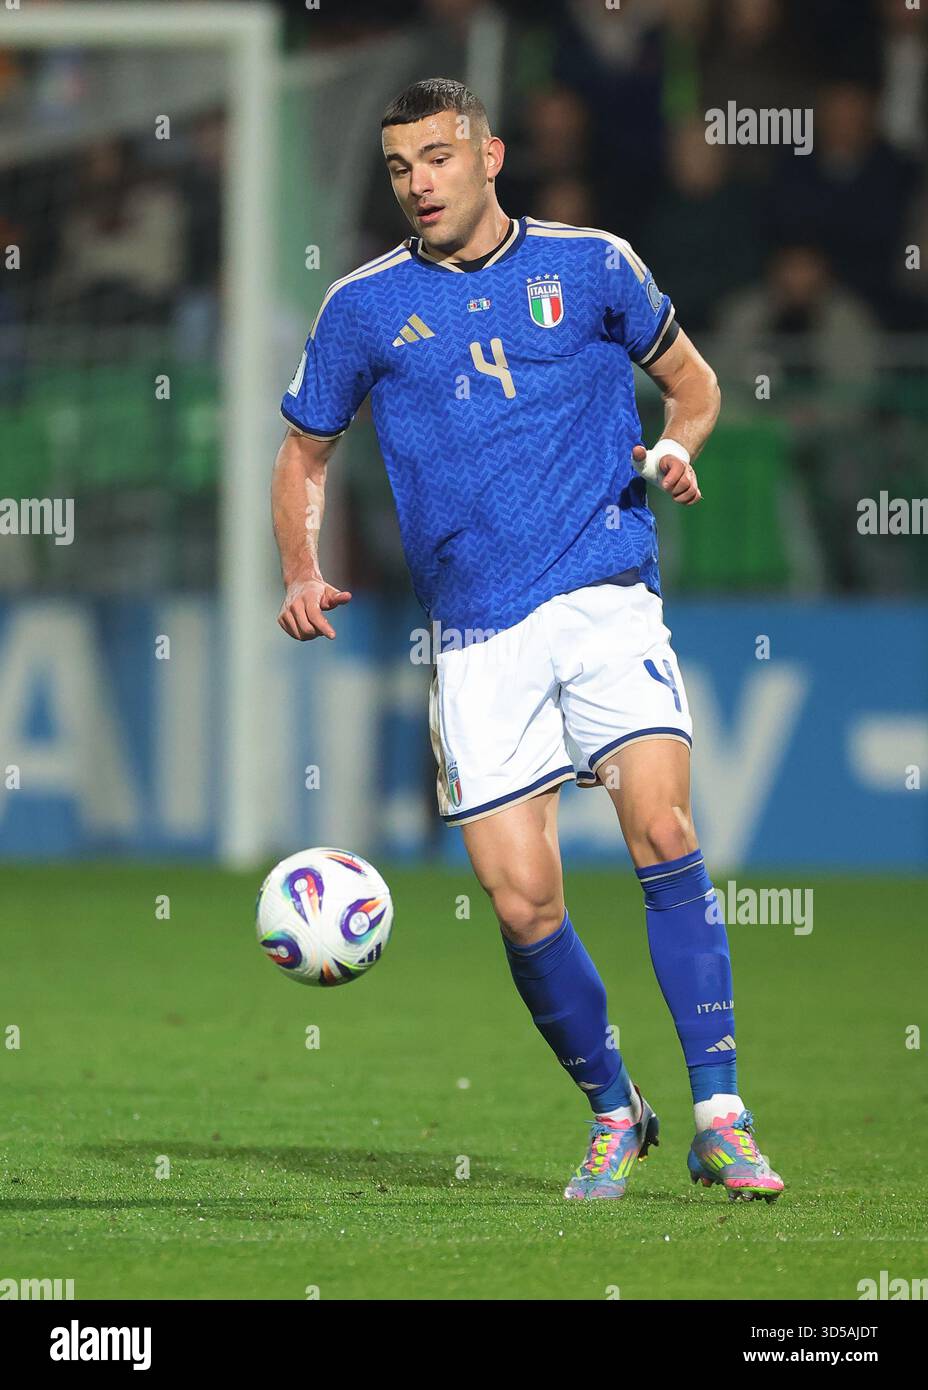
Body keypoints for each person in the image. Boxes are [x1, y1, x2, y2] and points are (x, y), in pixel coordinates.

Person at [272, 78, 784, 1203]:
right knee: (521, 901)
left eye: (438, 158)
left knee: (660, 825)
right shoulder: (363, 308)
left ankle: (721, 1113)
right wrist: (303, 568)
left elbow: (691, 389)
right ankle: (617, 1110)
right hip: (472, 632)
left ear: (490, 155)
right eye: (400, 167)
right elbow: (306, 450)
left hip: (605, 595)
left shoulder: (595, 263)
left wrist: (677, 448)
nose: (418, 183)